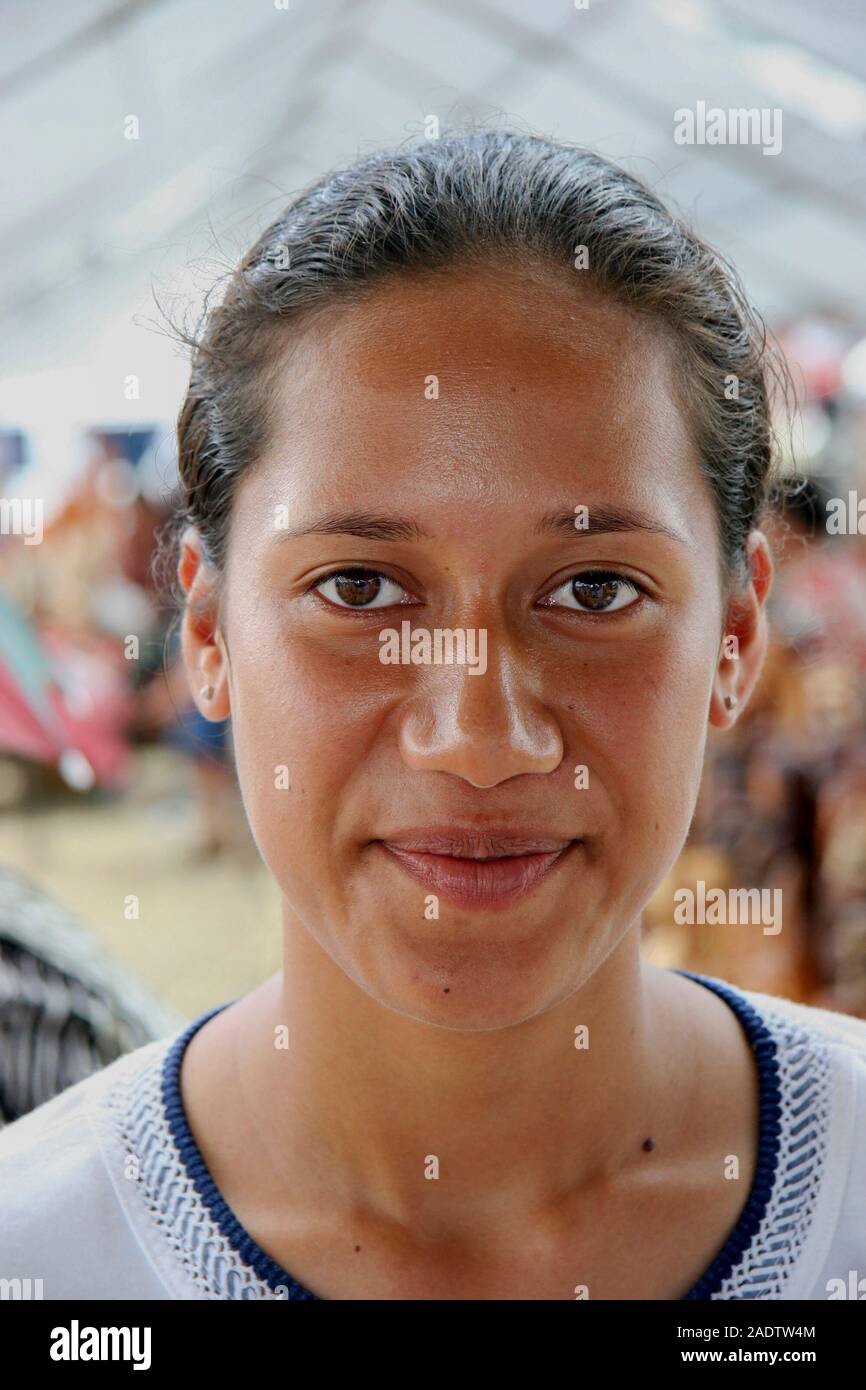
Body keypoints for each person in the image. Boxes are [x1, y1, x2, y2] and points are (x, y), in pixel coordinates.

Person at [1, 128, 864, 1301]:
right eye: (356, 588)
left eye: (592, 590)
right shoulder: (41, 1260)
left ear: (733, 636)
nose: (477, 734)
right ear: (206, 634)